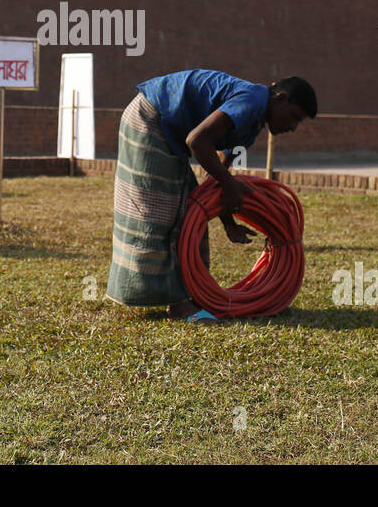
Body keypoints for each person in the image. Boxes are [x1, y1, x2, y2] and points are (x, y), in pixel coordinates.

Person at [105, 69, 317, 322]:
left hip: (164, 126)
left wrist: (228, 223)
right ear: (280, 98)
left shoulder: (251, 125)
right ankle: (179, 306)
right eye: (294, 117)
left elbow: (217, 178)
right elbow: (196, 140)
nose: (293, 127)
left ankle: (186, 299)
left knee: (187, 209)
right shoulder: (251, 100)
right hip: (151, 117)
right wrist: (229, 185)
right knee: (165, 214)